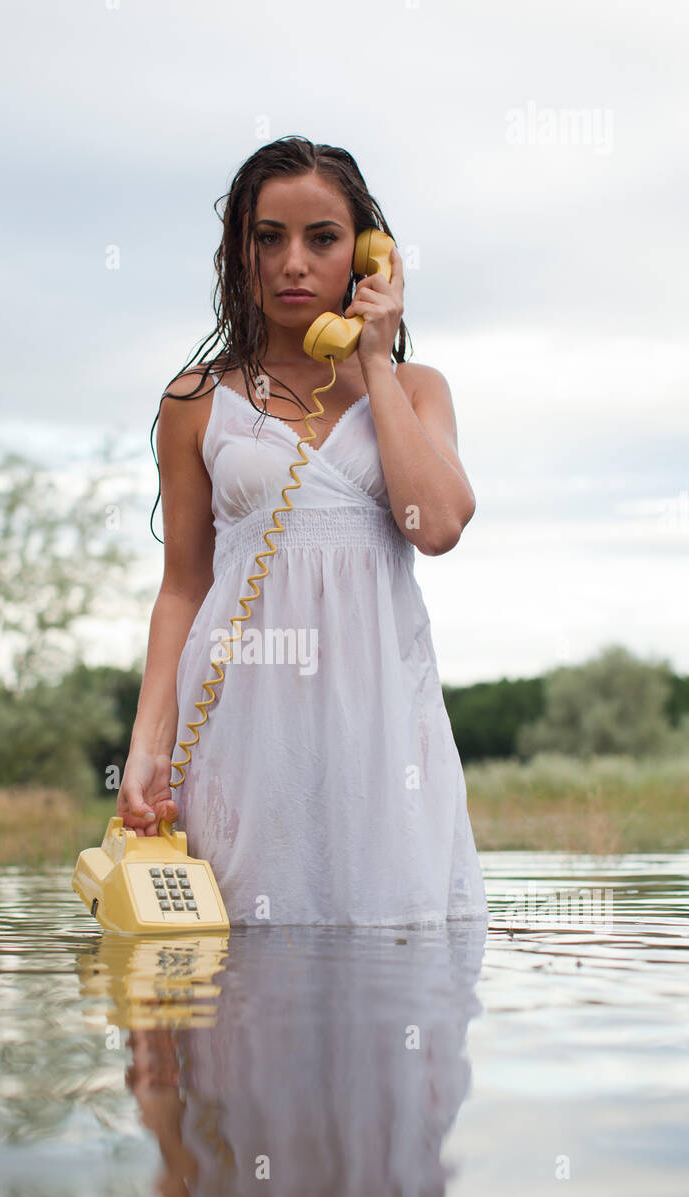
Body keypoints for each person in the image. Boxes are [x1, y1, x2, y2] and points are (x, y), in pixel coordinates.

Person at [117, 134, 489, 927]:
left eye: (321, 239)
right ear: (240, 253)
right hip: (245, 719)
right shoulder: (193, 401)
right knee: (245, 962)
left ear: (366, 256)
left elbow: (441, 523)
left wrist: (378, 362)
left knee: (397, 942)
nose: (293, 263)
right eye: (269, 237)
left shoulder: (416, 389)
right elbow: (183, 586)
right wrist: (149, 741)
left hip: (384, 721)